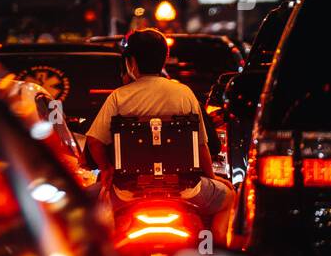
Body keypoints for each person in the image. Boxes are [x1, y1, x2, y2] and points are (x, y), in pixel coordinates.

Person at [85, 28, 232, 238]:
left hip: (125, 192)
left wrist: (106, 170)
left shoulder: (119, 97)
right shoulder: (184, 93)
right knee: (228, 198)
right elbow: (201, 146)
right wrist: (212, 177)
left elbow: (94, 141)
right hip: (187, 191)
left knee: (81, 204)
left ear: (131, 62)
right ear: (165, 59)